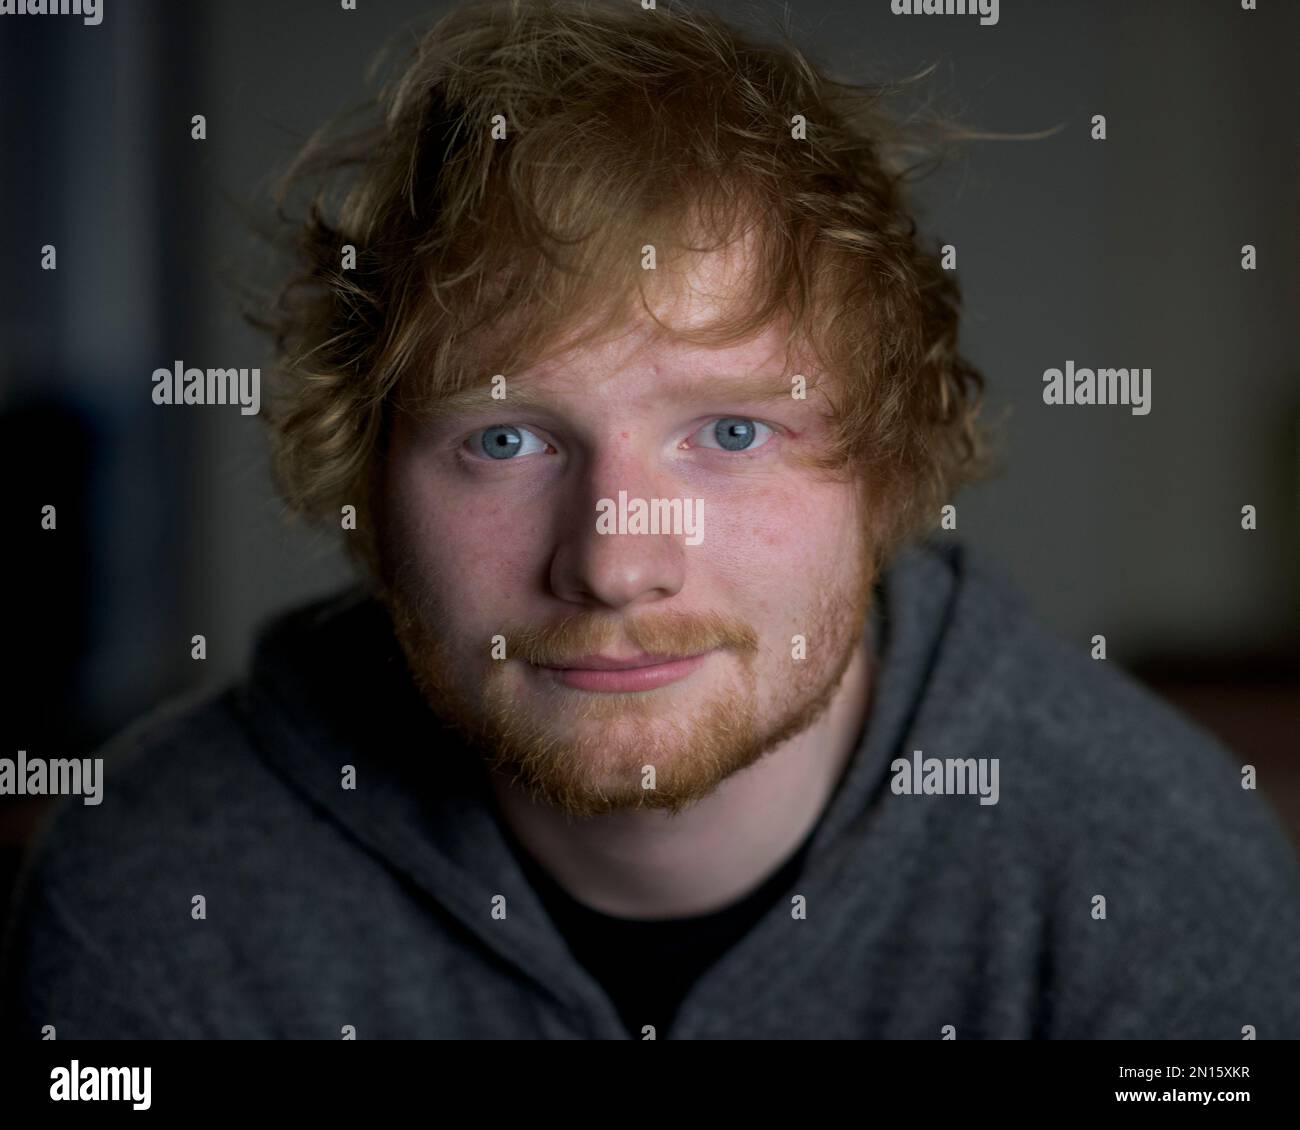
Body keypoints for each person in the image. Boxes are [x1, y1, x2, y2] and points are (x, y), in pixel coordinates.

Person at [4, 0, 1298, 1040]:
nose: (614, 561)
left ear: (892, 474)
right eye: (504, 439)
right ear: (371, 495)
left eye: (732, 432)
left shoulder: (1153, 878)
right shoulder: (156, 894)